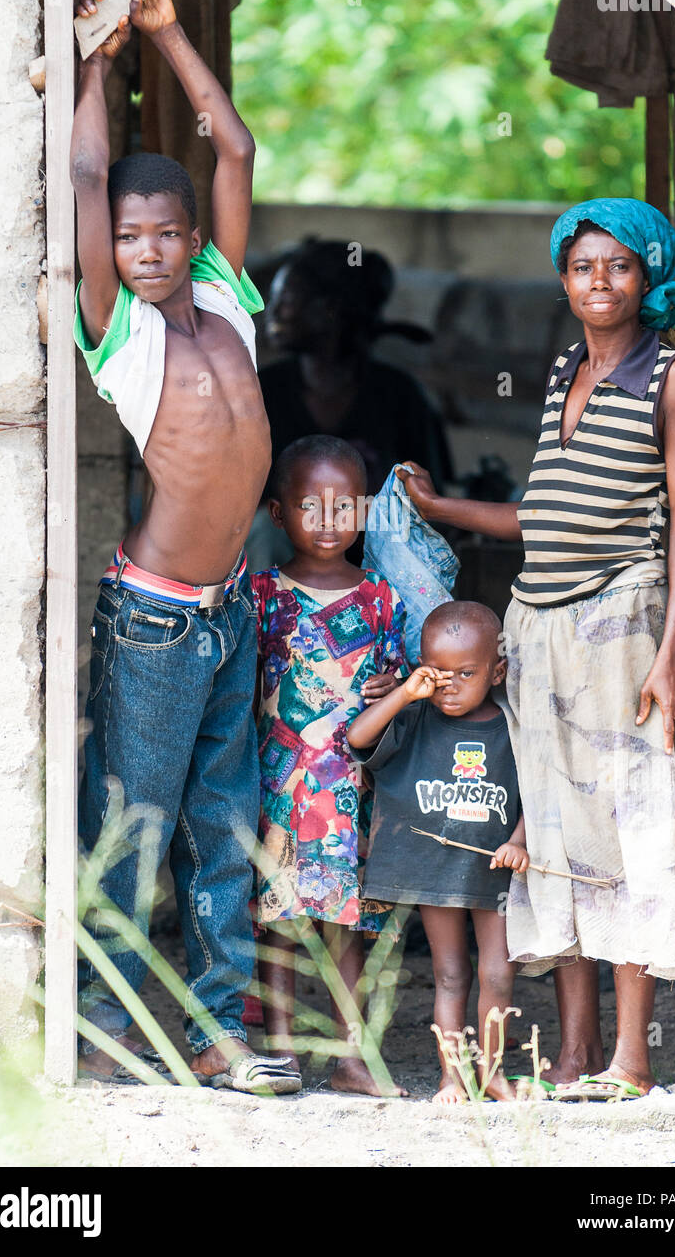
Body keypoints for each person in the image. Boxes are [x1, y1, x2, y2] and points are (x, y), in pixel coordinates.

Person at [396, 198, 675, 1101]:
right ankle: (573, 1055)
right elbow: (539, 517)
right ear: (563, 278)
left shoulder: (672, 377)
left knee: (631, 827)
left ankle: (632, 1060)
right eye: (582, 267)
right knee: (556, 833)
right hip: (537, 624)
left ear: (650, 276)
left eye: (618, 266)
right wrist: (443, 507)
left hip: (621, 627)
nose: (598, 283)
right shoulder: (566, 366)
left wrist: (668, 654)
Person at [71, 0, 301, 1095]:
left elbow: (238, 148)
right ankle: (109, 1033)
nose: (149, 250)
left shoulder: (220, 297)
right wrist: (97, 61)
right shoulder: (118, 330)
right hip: (156, 620)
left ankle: (213, 1035)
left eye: (164, 233)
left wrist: (164, 32)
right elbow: (84, 172)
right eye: (129, 238)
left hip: (230, 610)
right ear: (106, 252)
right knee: (133, 830)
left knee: (227, 831)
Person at [250, 435, 409, 1094]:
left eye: (345, 506)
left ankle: (352, 1057)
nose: (328, 520)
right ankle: (280, 1050)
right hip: (278, 789)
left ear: (366, 512)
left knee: (351, 928)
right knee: (279, 923)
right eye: (309, 506)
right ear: (277, 514)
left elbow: (401, 675)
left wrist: (392, 682)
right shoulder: (260, 595)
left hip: (351, 793)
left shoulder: (382, 600)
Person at [348, 601, 528, 1104]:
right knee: (450, 974)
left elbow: (537, 792)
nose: (449, 685)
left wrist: (518, 841)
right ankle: (453, 1075)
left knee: (498, 971)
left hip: (493, 874)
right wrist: (407, 692)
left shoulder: (513, 728)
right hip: (434, 872)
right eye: (438, 672)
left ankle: (491, 1071)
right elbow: (358, 738)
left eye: (466, 673)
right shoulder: (416, 717)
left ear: (498, 670)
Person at [246, 239, 454, 572]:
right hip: (282, 570)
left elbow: (433, 506)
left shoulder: (399, 396)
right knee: (262, 531)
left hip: (374, 573)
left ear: (328, 310)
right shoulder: (260, 390)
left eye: (286, 301)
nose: (272, 312)